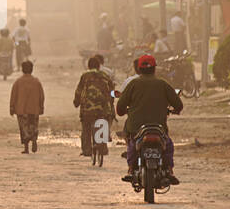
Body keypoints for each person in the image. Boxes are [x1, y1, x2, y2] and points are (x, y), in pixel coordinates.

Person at [116, 53, 183, 185]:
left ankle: (130, 170)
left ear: (139, 69)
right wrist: (175, 110)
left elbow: (120, 107)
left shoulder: (133, 84)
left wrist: (124, 111)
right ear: (154, 68)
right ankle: (169, 171)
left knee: (132, 145)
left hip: (136, 127)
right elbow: (178, 105)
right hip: (158, 127)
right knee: (168, 146)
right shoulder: (163, 84)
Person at [73, 55, 115, 158]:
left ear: (88, 66)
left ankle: (87, 150)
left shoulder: (85, 76)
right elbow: (112, 92)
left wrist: (76, 102)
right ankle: (103, 148)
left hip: (87, 108)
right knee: (102, 125)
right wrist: (111, 104)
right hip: (103, 108)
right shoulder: (105, 76)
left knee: (86, 128)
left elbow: (79, 90)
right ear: (99, 66)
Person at [10, 59, 45, 154]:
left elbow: (14, 95)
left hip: (21, 110)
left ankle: (26, 148)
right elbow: (41, 96)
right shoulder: (36, 82)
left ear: (22, 69)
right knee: (33, 126)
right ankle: (34, 140)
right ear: (32, 69)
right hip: (34, 109)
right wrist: (41, 107)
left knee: (24, 128)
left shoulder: (18, 82)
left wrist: (12, 108)